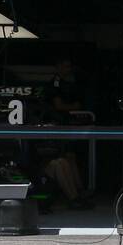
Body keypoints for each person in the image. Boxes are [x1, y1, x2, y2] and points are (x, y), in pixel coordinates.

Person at [42, 58, 94, 209]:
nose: (68, 69)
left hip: (61, 135)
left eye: (69, 66)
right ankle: (75, 198)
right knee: (60, 162)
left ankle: (78, 195)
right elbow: (58, 105)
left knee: (67, 159)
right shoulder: (54, 85)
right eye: (65, 66)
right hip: (41, 168)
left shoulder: (70, 84)